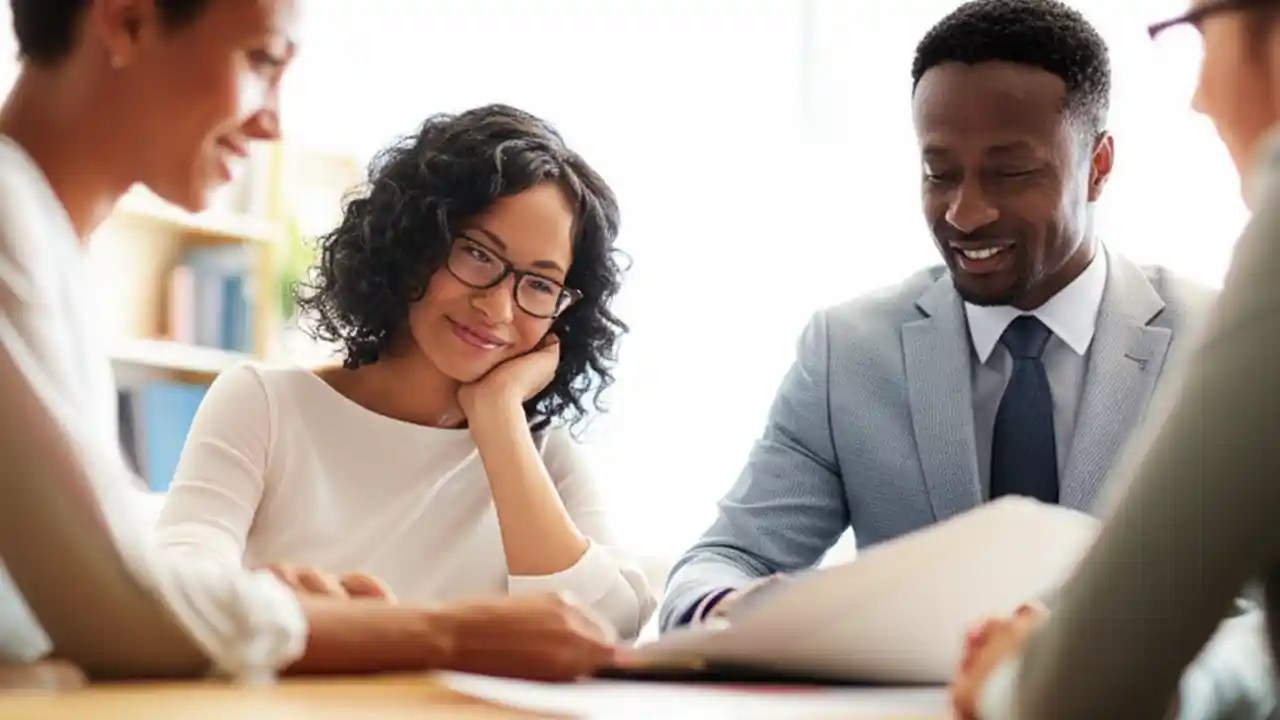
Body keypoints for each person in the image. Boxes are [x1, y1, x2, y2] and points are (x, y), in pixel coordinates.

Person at [0, 0, 616, 680]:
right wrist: (445, 632)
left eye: (538, 284)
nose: (274, 122)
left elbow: (607, 623)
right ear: (128, 21)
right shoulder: (8, 225)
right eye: (262, 61)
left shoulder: (46, 246)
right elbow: (118, 605)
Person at [661, 0, 1215, 631]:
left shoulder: (1216, 345)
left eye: (1010, 174)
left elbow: (1260, 614)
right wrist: (734, 606)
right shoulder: (849, 353)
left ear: (1098, 167)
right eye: (939, 173)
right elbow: (723, 560)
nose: (964, 213)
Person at [154, 104, 656, 639]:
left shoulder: (541, 455)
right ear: (414, 243)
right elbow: (177, 590)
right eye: (479, 255)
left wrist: (497, 417)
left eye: (539, 284)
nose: (499, 309)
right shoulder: (266, 404)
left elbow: (607, 628)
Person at [950, 0, 1280, 717]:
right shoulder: (845, 343)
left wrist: (1016, 679)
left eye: (1198, 33)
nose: (1199, 97)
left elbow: (1074, 696)